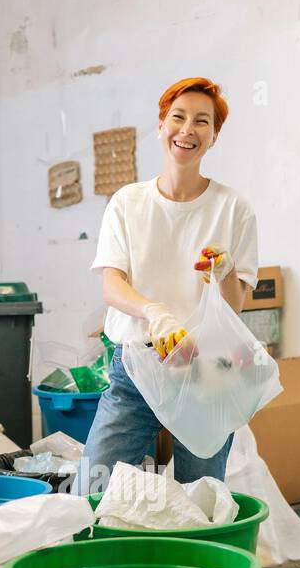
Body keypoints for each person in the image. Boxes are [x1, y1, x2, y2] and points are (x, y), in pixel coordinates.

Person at [78, 76, 258, 491]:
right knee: (91, 489)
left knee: (202, 499)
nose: (187, 130)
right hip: (135, 371)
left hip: (205, 374)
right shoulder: (127, 202)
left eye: (202, 122)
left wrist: (227, 271)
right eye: (178, 117)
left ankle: (195, 556)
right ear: (161, 125)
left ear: (214, 136)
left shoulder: (234, 209)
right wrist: (154, 312)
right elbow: (111, 285)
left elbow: (234, 309)